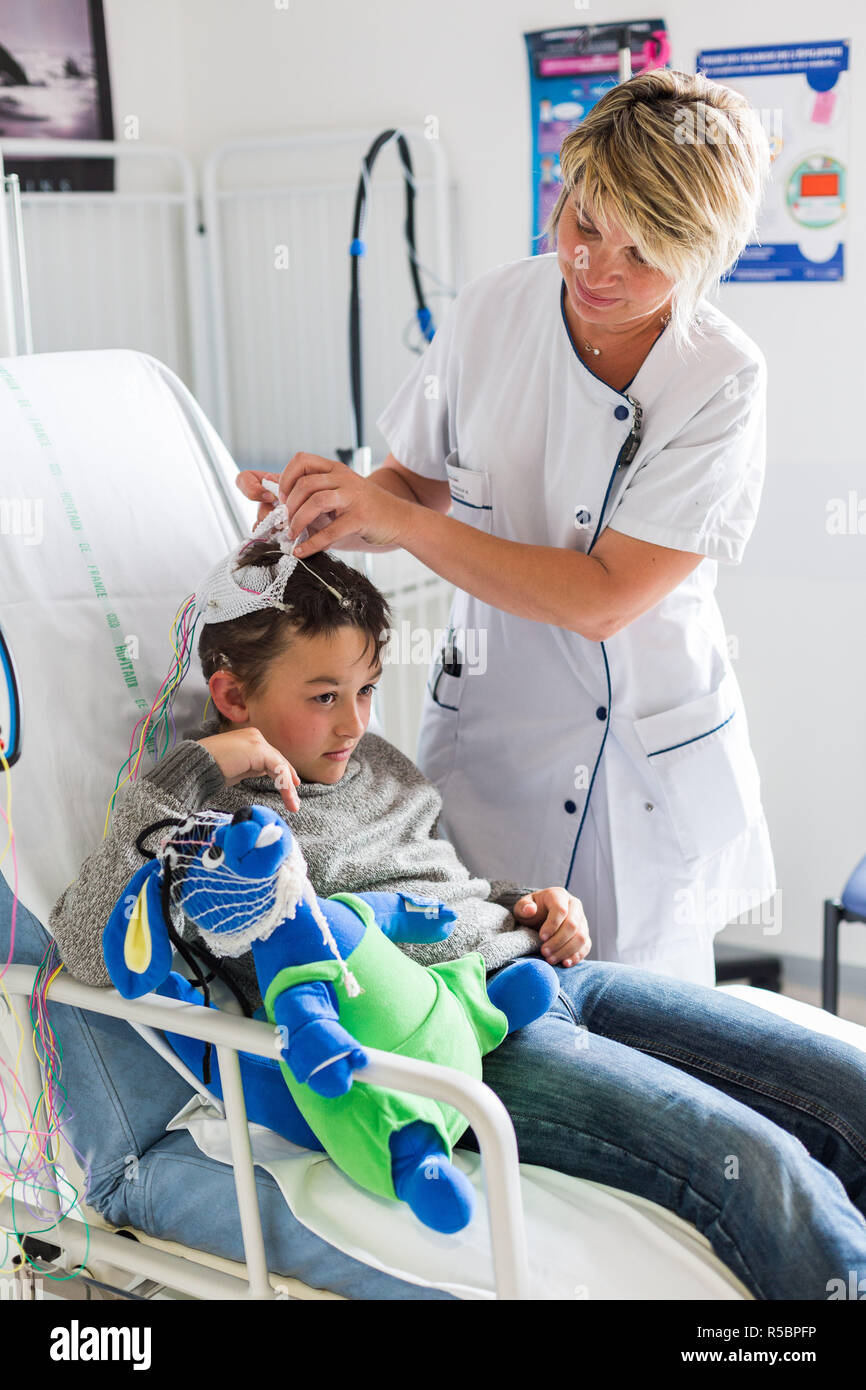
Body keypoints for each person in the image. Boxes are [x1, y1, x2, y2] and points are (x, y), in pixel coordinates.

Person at [36, 540, 866, 1301]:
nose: (354, 722)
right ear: (230, 695)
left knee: (843, 1090)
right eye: (324, 696)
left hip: (543, 975)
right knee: (762, 1169)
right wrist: (200, 763)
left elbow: (444, 888)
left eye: (364, 691)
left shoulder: (377, 763)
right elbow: (85, 945)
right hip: (472, 1046)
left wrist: (530, 901)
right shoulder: (217, 830)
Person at [237, 69, 777, 986]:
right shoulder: (493, 310)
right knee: (486, 997)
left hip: (639, 776)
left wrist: (397, 518)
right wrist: (332, 507)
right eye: (586, 225)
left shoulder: (720, 377)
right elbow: (414, 481)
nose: (600, 269)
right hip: (495, 738)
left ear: (703, 252)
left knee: (644, 1026)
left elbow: (603, 599)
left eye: (645, 255)